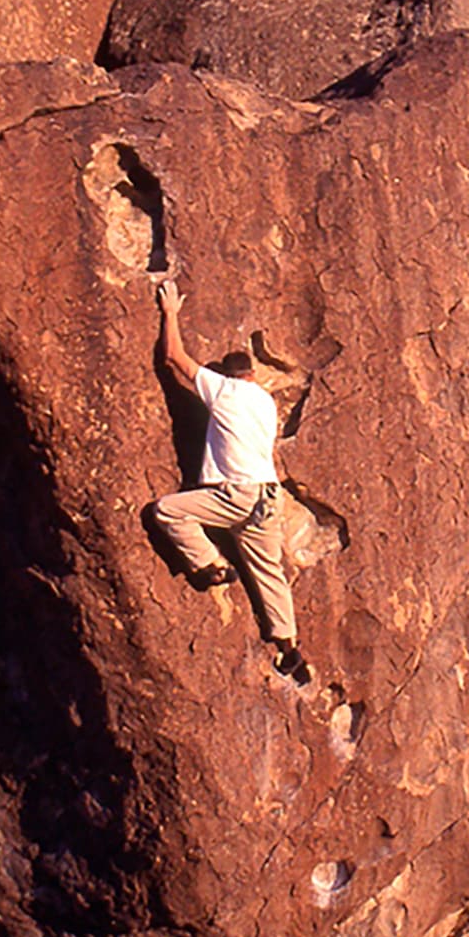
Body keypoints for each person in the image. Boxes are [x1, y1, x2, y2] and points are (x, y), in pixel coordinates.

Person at [152, 280, 310, 684]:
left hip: (238, 495)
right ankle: (290, 649)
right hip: (269, 498)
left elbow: (174, 358)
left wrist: (170, 313)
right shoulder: (265, 402)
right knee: (269, 572)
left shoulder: (224, 391)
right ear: (253, 375)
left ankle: (212, 565)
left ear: (227, 375)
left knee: (168, 512)